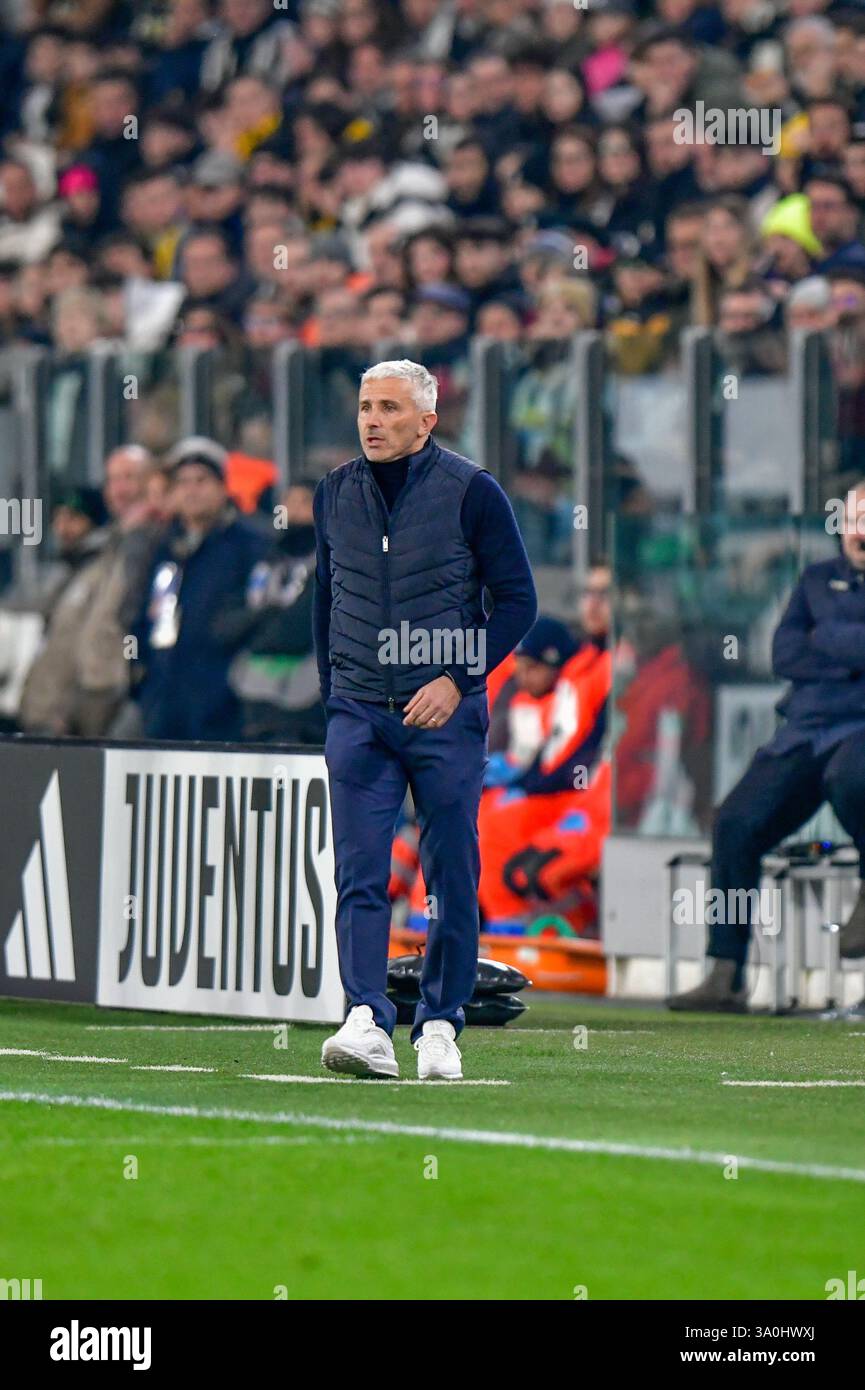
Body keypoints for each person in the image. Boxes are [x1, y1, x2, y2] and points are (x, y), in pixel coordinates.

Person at [315, 358, 537, 1080]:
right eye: (364, 407)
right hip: (358, 712)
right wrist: (335, 690)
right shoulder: (334, 492)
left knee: (449, 868)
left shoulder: (473, 491)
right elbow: (327, 596)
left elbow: (516, 602)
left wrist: (457, 677)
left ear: (426, 421)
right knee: (359, 870)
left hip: (444, 712)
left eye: (387, 408)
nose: (372, 420)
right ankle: (365, 1017)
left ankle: (440, 1023)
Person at [669, 480, 865, 1012]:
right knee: (734, 822)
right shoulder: (817, 579)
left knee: (852, 778)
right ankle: (726, 970)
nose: (858, 530)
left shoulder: (822, 602)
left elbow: (811, 645)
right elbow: (784, 654)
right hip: (805, 730)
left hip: (859, 730)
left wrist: (825, 638)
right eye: (852, 518)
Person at [132, 436, 266, 742]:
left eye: (201, 480)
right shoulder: (165, 546)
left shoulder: (250, 544)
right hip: (163, 701)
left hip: (224, 707)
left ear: (222, 486)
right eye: (183, 482)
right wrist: (140, 673)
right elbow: (141, 610)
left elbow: (258, 614)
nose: (192, 490)